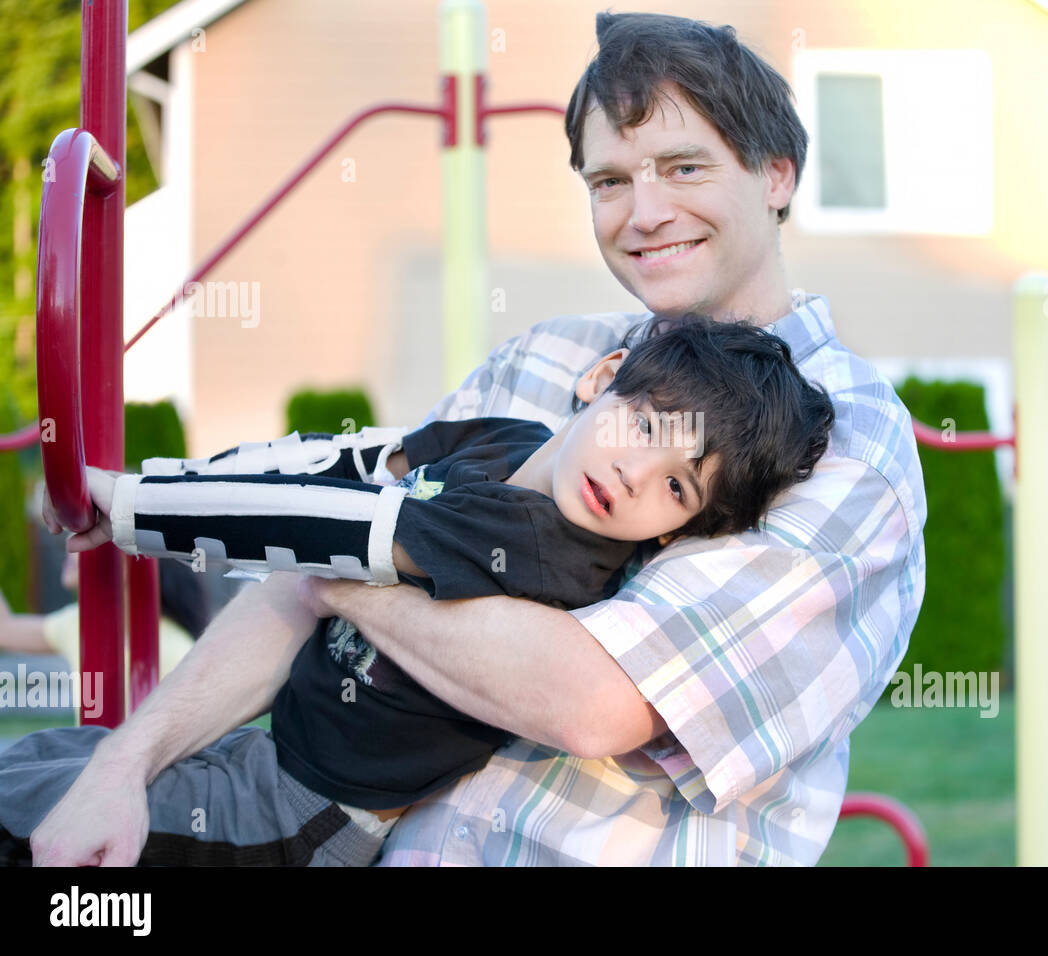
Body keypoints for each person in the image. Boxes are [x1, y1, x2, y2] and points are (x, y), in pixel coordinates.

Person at [20, 11, 926, 867]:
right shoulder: (551, 358)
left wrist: (348, 562)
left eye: (683, 167)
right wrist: (123, 769)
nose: (643, 212)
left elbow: (596, 701)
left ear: (776, 174)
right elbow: (301, 564)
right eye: (610, 180)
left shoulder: (842, 445)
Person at [2, 316, 835, 865]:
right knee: (31, 767)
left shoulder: (538, 549)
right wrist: (156, 486)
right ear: (602, 377)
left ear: (672, 531)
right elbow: (338, 463)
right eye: (646, 426)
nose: (634, 471)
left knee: (37, 834)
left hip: (302, 818)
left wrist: (129, 506)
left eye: (679, 490)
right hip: (257, 751)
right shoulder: (503, 443)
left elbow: (325, 523)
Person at [0, 551, 206, 676]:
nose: (70, 548)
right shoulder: (81, 622)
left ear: (131, 559)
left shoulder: (173, 651)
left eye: (86, 536)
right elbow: (5, 630)